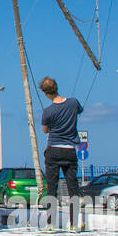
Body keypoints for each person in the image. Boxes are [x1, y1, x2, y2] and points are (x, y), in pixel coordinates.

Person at [38, 76, 82, 212]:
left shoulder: (48, 111)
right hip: (69, 149)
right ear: (56, 87)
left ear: (45, 93)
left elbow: (45, 130)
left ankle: (51, 223)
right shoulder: (73, 102)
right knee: (73, 187)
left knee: (52, 187)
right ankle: (74, 223)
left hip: (54, 149)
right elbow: (78, 111)